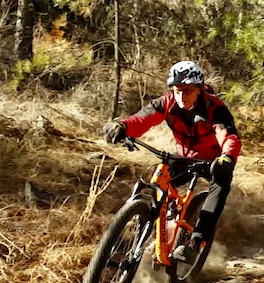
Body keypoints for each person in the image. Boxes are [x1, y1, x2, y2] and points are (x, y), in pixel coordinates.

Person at [102, 60, 241, 263]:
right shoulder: (166, 103)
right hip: (186, 158)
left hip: (214, 161)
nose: (181, 96)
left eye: (187, 91)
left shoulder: (215, 108)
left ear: (199, 89)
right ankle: (136, 236)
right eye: (177, 91)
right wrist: (122, 126)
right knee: (153, 187)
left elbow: (228, 136)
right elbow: (142, 119)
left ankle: (195, 243)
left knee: (220, 185)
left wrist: (227, 157)